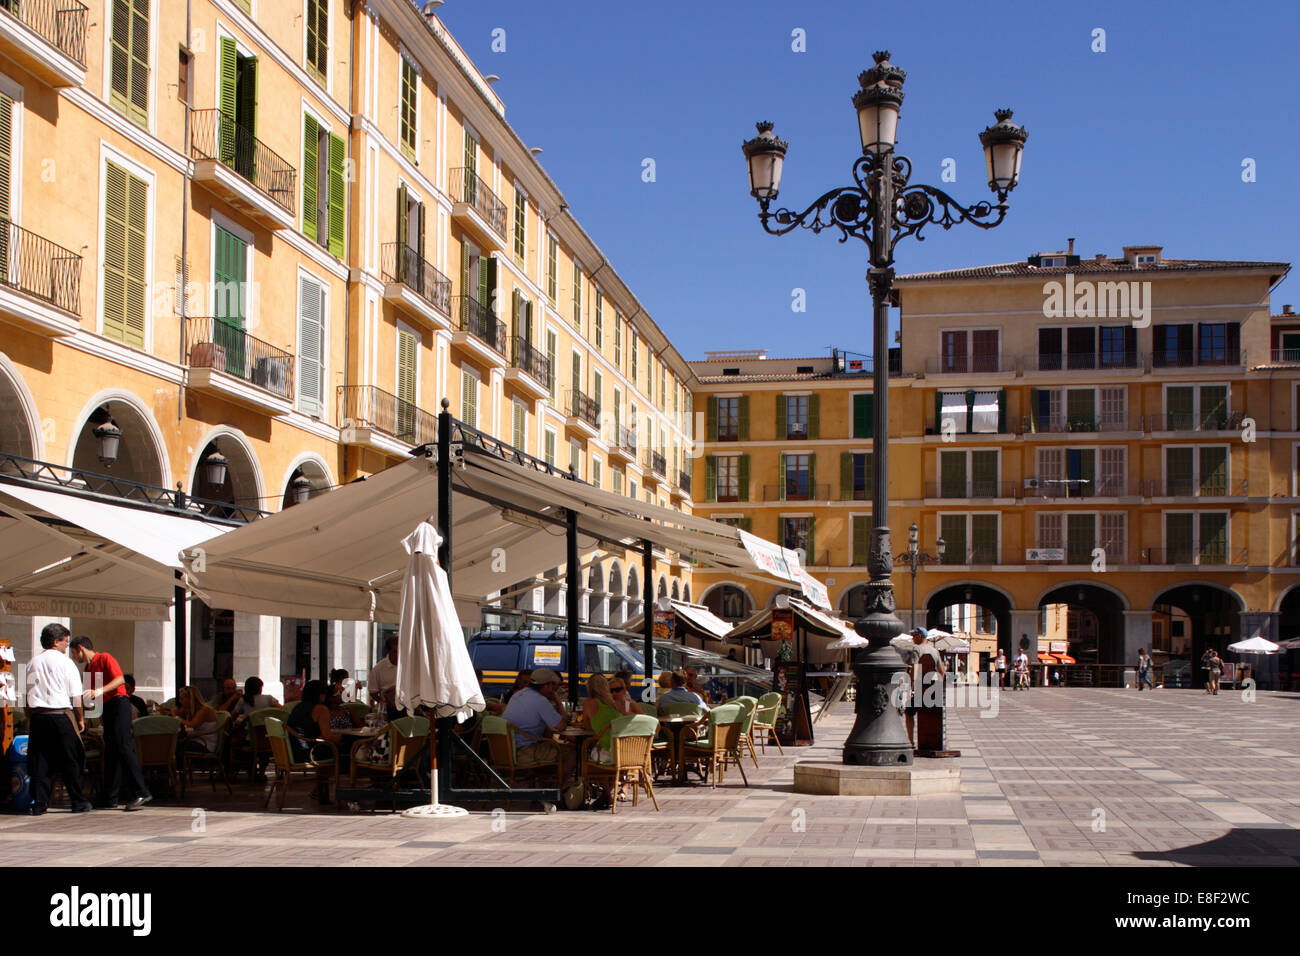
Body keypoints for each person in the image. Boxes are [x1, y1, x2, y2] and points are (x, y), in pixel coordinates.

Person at [70, 636, 151, 811]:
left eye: (74, 653)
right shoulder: (88, 669)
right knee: (111, 751)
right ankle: (110, 796)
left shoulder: (105, 657)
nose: (74, 657)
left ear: (80, 648)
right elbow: (91, 697)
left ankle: (141, 791)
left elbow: (120, 680)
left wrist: (98, 690)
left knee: (123, 746)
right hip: (106, 707)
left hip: (119, 704)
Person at [23, 623, 92, 815]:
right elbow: (75, 696)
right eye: (65, 642)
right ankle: (78, 801)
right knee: (71, 759)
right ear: (56, 642)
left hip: (38, 716)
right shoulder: (66, 663)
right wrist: (80, 719)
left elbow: (26, 695)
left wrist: (30, 718)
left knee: (40, 762)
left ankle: (39, 803)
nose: (66, 646)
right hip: (60, 715)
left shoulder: (31, 663)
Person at [501, 668, 575, 777]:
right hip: (524, 752)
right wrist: (558, 702)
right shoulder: (540, 701)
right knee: (572, 752)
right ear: (546, 686)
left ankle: (544, 784)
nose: (553, 690)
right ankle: (558, 789)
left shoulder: (517, 695)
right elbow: (561, 726)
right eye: (552, 687)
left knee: (551, 746)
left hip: (506, 751)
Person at [287, 680, 341, 803]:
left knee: (328, 749)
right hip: (308, 753)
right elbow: (328, 736)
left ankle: (320, 790)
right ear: (320, 694)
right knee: (337, 751)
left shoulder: (297, 707)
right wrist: (340, 737)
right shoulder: (321, 709)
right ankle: (326, 790)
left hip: (293, 751)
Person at [899, 628, 944, 747]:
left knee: (909, 712)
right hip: (934, 688)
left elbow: (916, 668)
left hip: (922, 687)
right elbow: (942, 671)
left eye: (914, 635)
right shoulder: (935, 651)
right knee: (931, 714)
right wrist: (939, 686)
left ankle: (911, 741)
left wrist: (913, 687)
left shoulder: (917, 649)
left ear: (920, 636)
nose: (912, 638)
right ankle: (932, 740)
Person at [170, 686, 219, 754]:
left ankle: (177, 764)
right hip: (194, 740)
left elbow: (191, 726)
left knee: (173, 745)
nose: (179, 701)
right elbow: (177, 714)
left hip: (204, 744)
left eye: (182, 699)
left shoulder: (204, 710)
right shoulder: (189, 709)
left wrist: (175, 716)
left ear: (190, 699)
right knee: (171, 742)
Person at [370, 636, 400, 720]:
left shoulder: (408, 666)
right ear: (388, 651)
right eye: (395, 652)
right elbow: (373, 691)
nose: (398, 654)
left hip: (407, 706)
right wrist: (383, 702)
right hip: (390, 709)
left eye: (400, 651)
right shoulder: (378, 669)